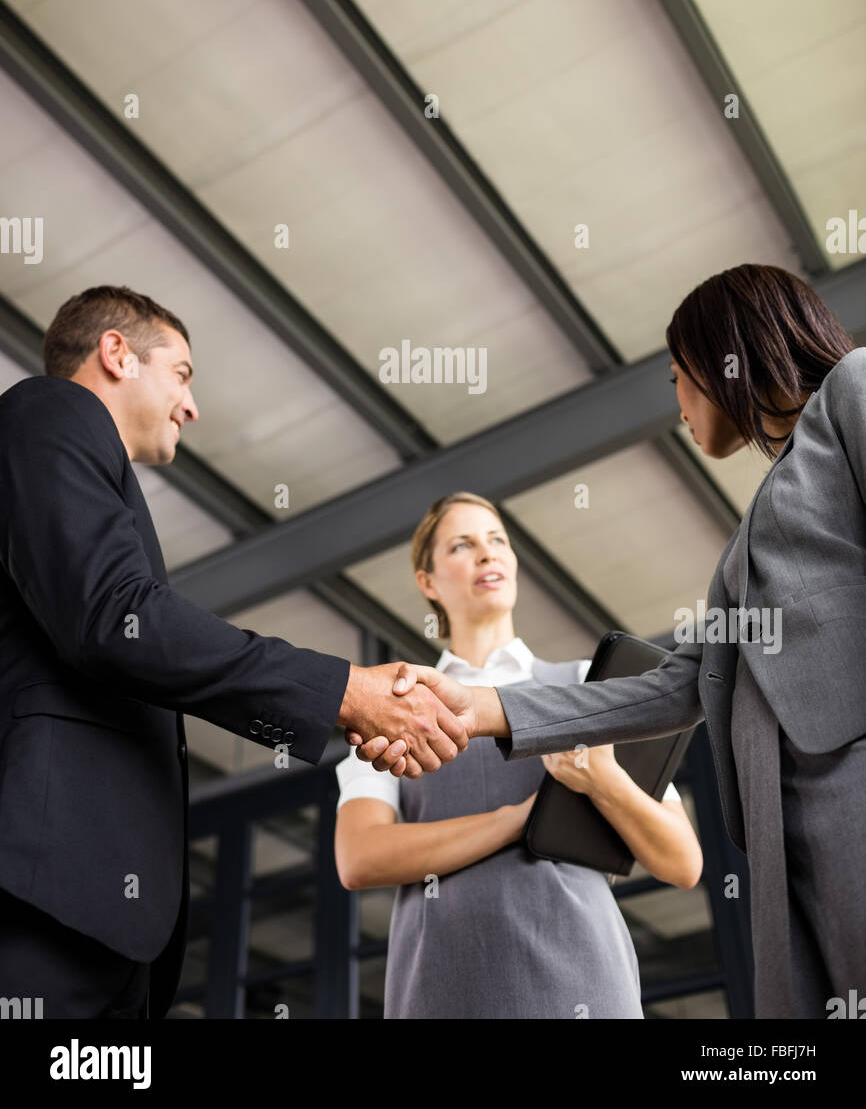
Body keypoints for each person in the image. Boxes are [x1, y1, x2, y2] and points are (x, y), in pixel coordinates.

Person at [351, 264, 866, 1020]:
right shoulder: (743, 548)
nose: (680, 407)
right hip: (791, 830)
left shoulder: (856, 391)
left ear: (723, 356)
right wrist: (478, 706)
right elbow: (674, 687)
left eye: (677, 379)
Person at [0, 285, 466, 1020]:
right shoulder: (50, 412)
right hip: (45, 896)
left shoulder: (93, 473)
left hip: (98, 918)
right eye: (182, 373)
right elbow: (115, 616)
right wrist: (342, 691)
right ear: (116, 353)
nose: (191, 406)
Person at [334, 492, 702, 1018]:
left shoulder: (586, 684)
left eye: (498, 540)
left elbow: (682, 861)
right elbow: (361, 857)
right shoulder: (396, 706)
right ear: (428, 582)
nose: (488, 554)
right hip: (441, 988)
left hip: (583, 981)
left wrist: (603, 781)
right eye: (462, 545)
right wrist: (519, 819)